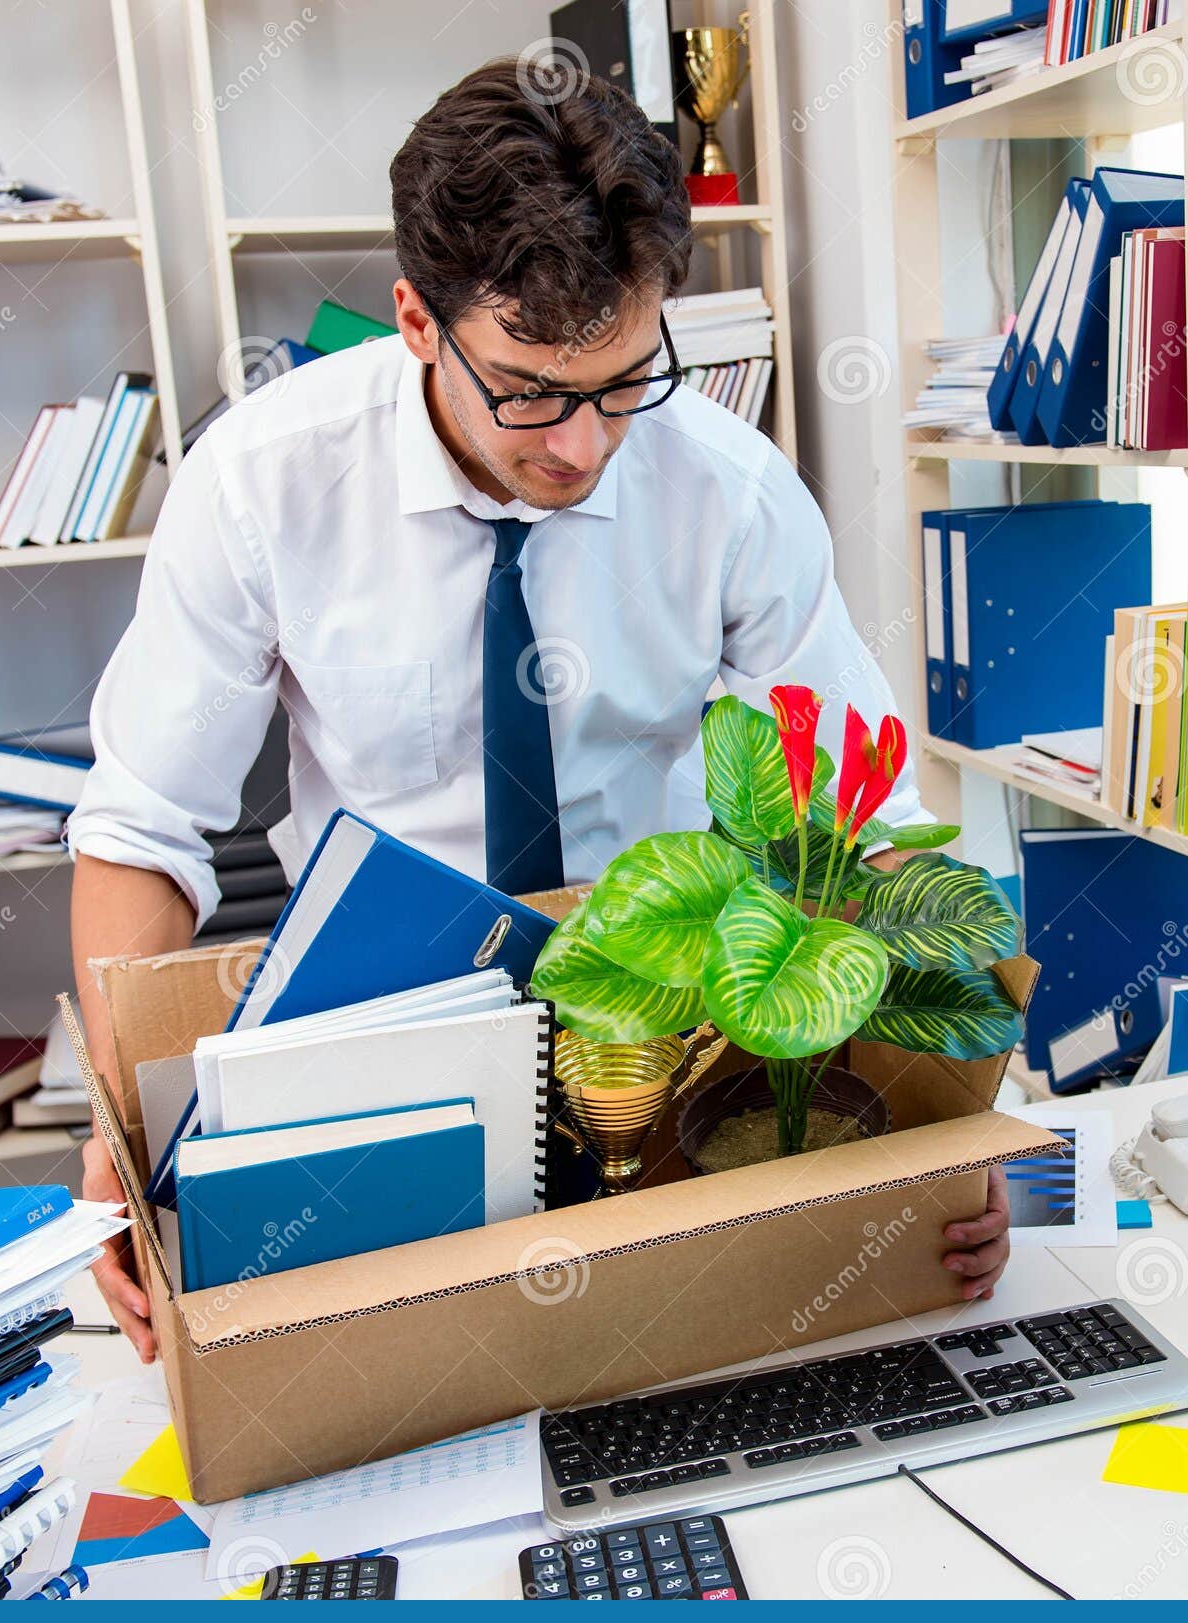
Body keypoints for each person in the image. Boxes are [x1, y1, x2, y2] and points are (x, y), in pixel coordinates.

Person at [66, 59, 1011, 1361]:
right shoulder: (259, 484)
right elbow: (143, 825)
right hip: (388, 1051)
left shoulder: (728, 491)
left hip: (679, 1039)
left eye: (624, 378)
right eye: (525, 389)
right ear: (413, 319)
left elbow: (866, 820)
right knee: (406, 1404)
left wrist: (936, 1121)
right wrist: (121, 1132)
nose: (579, 446)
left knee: (730, 1389)